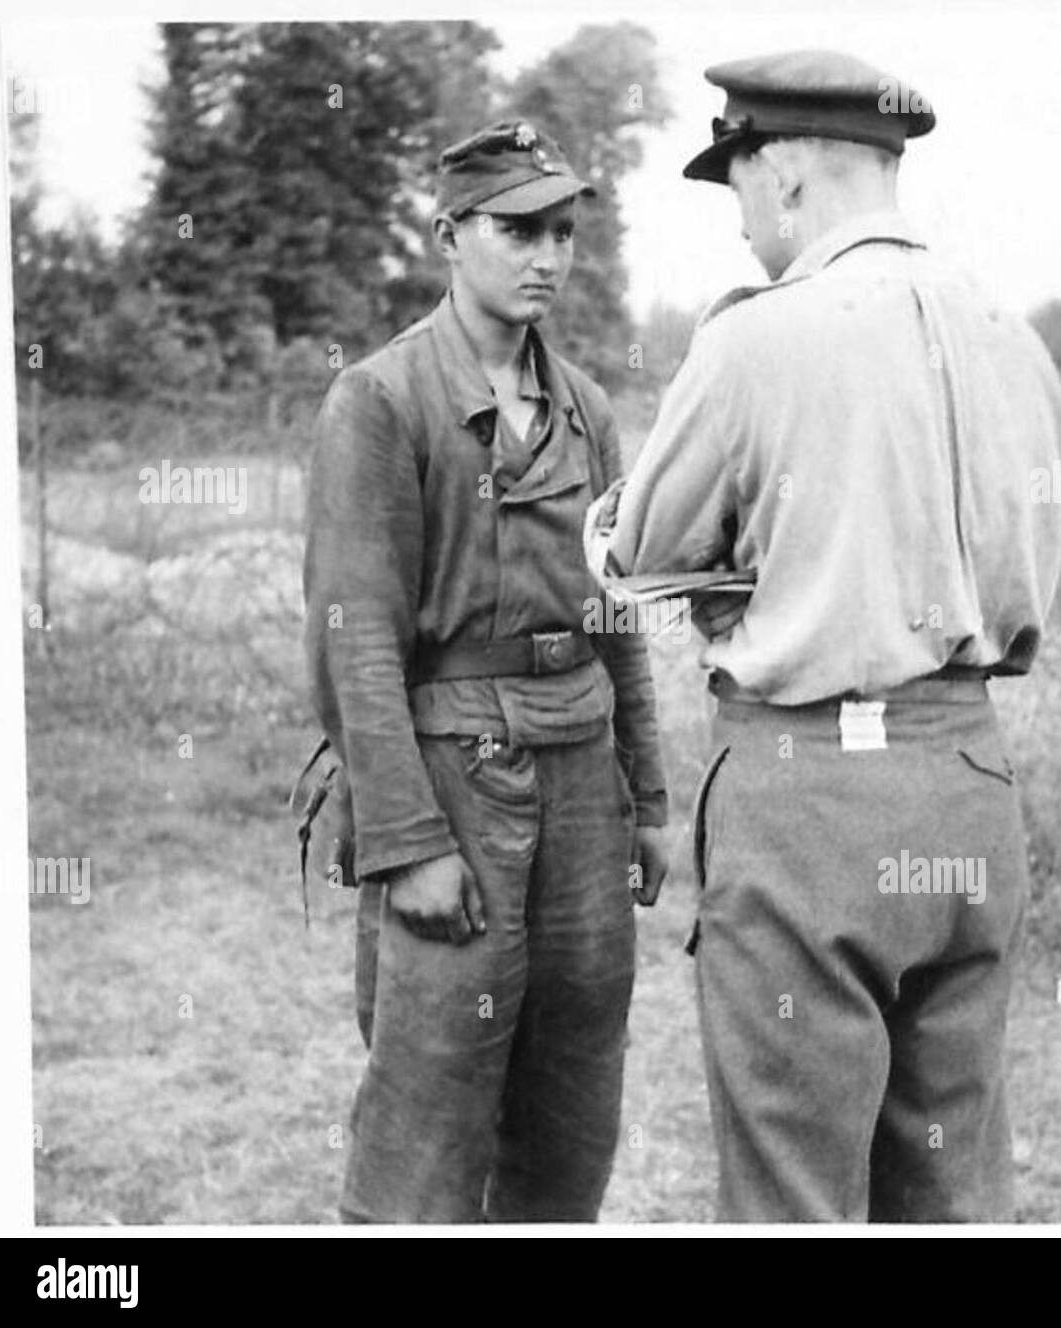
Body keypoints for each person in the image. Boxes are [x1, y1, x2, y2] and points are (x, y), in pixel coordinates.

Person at [602, 50, 1061, 1222]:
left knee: (792, 1196)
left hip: (810, 795)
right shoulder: (1012, 335)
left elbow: (636, 557)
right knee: (953, 1187)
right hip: (968, 775)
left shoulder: (758, 338)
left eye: (740, 185)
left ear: (786, 178)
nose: (746, 223)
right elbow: (1019, 575)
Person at [302, 120, 669, 1224]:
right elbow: (353, 638)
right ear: (449, 233)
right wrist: (406, 841)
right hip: (453, 781)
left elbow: (619, 614)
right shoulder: (381, 401)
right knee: (429, 1099)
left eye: (562, 230)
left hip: (581, 785)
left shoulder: (590, 411)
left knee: (571, 1099)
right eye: (517, 229)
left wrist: (647, 798)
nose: (547, 255)